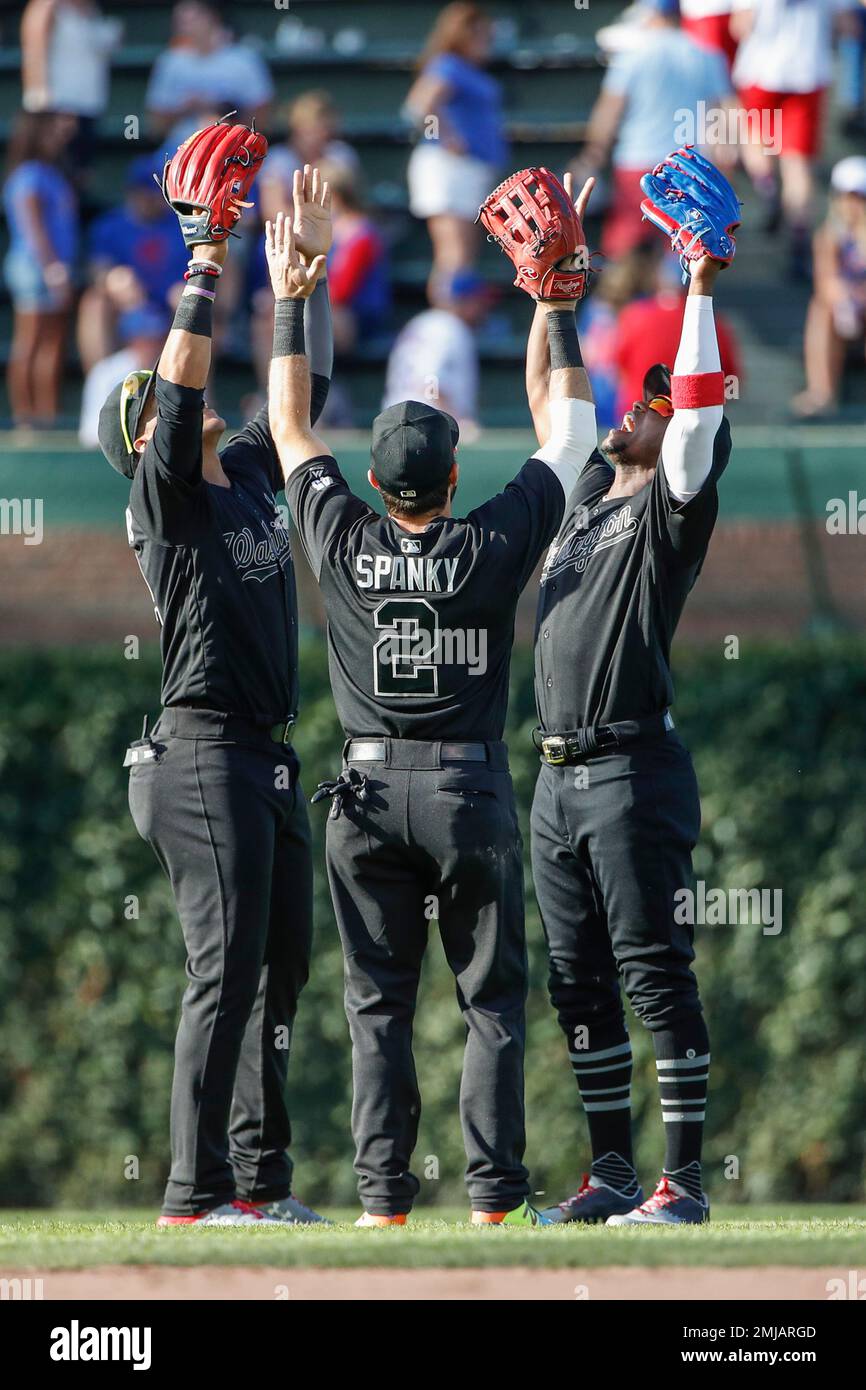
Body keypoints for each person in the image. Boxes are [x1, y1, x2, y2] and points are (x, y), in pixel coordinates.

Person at [264, 169, 598, 1227]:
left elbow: (286, 419)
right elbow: (573, 438)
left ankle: (379, 1205)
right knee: (489, 1004)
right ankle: (494, 1201)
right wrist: (553, 300)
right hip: (465, 790)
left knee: (376, 1006)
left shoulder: (343, 534)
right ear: (452, 483)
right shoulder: (491, 541)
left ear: (375, 484)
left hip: (363, 798)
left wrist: (294, 288)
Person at [97, 143, 332, 1228]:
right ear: (143, 440)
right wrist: (205, 258)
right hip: (200, 749)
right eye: (157, 406)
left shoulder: (238, 477)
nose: (174, 407)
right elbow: (183, 379)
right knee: (223, 969)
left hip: (261, 755)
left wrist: (299, 292)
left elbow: (306, 390)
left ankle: (258, 1184)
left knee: (273, 976)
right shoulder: (170, 500)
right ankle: (192, 1195)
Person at [527, 226, 734, 1227]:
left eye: (653, 402)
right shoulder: (586, 493)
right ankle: (609, 1174)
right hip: (553, 780)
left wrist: (695, 284)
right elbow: (555, 410)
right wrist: (551, 298)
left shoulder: (667, 504)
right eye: (640, 393)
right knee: (576, 983)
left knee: (653, 971)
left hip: (627, 767)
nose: (638, 407)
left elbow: (693, 421)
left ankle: (681, 1184)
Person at [578, 0, 732, 259]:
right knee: (685, 249)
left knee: (625, 250)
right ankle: (673, 301)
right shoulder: (707, 55)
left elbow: (608, 111)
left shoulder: (632, 56)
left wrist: (593, 155)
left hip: (637, 163)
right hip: (688, 170)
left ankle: (619, 299)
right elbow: (721, 114)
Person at [732, 0, 848, 272]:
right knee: (797, 162)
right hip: (807, 71)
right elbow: (845, 25)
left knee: (753, 135)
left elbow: (741, 25)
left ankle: (767, 186)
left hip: (761, 69)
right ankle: (797, 235)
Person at [405, 2, 507, 292]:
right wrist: (443, 138)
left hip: (467, 170)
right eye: (477, 34)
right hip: (449, 169)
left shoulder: (465, 69)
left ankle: (459, 314)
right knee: (454, 254)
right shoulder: (448, 64)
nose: (485, 41)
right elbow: (420, 106)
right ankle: (450, 315)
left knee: (464, 255)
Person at [77, 155, 189, 372]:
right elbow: (97, 269)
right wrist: (112, 279)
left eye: (156, 193)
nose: (150, 199)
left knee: (191, 304)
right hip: (125, 305)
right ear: (132, 193)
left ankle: (197, 391)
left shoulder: (182, 227)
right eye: (144, 192)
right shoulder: (109, 226)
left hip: (169, 306)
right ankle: (101, 385)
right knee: (94, 303)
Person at [2, 110, 77, 428]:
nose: (58, 140)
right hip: (36, 271)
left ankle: (46, 416)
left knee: (52, 342)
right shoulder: (29, 175)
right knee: (30, 341)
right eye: (51, 133)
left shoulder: (50, 173)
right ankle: (25, 417)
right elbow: (32, 227)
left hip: (53, 269)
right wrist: (52, 269)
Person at [611, 248, 742, 421]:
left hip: (639, 421)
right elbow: (731, 377)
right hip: (692, 422)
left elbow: (617, 368)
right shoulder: (714, 321)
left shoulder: (633, 315)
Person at [792, 156, 866, 418]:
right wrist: (845, 300)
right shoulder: (829, 234)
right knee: (821, 309)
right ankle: (822, 392)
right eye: (847, 196)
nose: (852, 204)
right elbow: (825, 281)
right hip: (845, 313)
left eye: (858, 196)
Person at [146, 0, 273, 142]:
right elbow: (156, 126)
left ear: (212, 17)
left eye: (193, 19)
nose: (186, 28)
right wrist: (186, 108)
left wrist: (221, 109)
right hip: (180, 149)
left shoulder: (244, 59)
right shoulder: (169, 62)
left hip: (234, 147)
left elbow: (262, 120)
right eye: (181, 21)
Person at [381, 269, 491, 434]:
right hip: (422, 426)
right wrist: (453, 422)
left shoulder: (423, 322)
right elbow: (430, 380)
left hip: (396, 422)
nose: (484, 308)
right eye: (478, 301)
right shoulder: (449, 327)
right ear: (464, 301)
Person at [20, 0, 121, 170]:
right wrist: (42, 108)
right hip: (56, 109)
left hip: (90, 108)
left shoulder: (93, 10)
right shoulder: (47, 6)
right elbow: (33, 55)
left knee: (79, 174)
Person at [259, 91, 360, 229]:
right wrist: (312, 228)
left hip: (336, 232)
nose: (319, 135)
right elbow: (274, 212)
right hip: (290, 233)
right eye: (311, 129)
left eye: (324, 128)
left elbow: (353, 206)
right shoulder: (278, 160)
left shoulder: (341, 155)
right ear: (296, 128)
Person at [79, 304, 168, 447]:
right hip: (110, 454)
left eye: (158, 338)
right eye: (145, 338)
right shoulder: (107, 373)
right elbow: (92, 432)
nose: (153, 344)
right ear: (131, 339)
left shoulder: (173, 370)